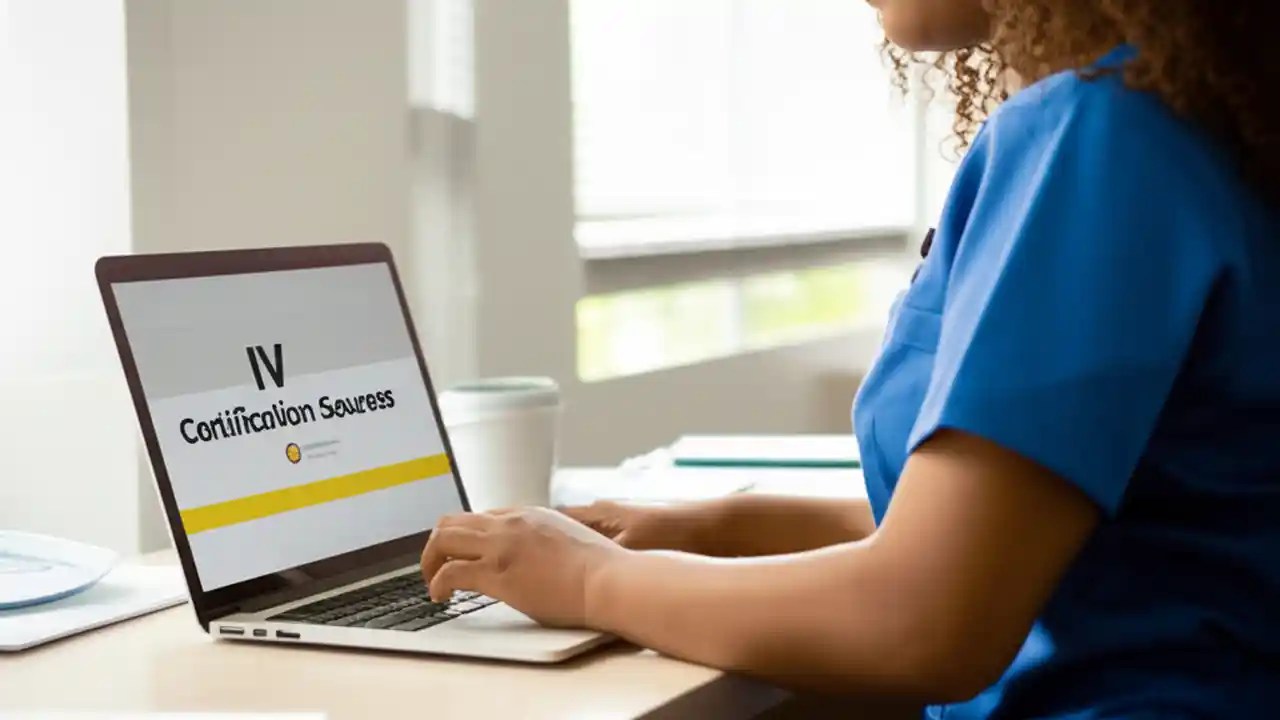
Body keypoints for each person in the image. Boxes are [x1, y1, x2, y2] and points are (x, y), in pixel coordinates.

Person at [421, 1, 1280, 717]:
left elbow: (925, 617)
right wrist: (711, 529)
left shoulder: (1096, 138)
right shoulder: (1187, 120)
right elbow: (1031, 531)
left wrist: (592, 581)